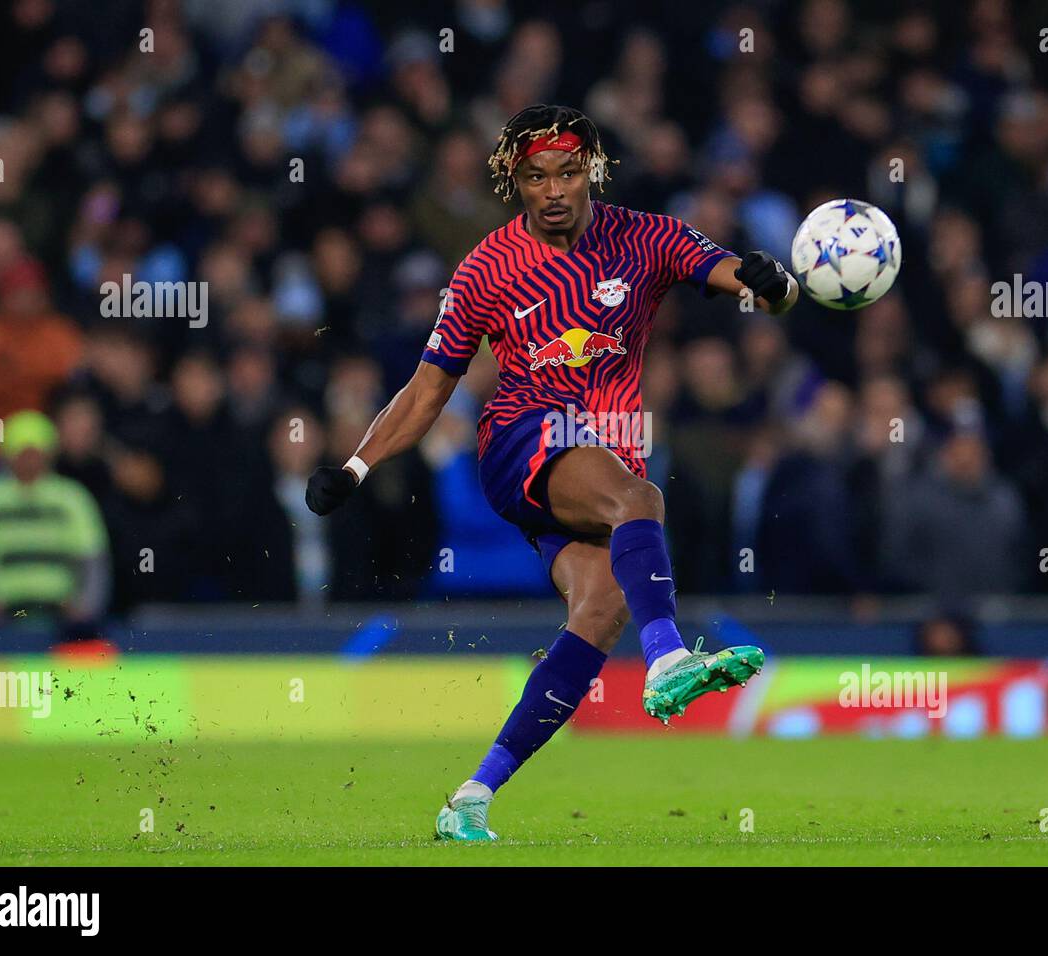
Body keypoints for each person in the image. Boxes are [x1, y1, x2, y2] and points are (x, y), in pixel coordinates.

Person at [305, 104, 797, 841]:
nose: (556, 189)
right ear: (517, 183)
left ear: (591, 171)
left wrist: (776, 280)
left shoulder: (648, 237)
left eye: (569, 172)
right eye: (537, 177)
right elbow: (426, 389)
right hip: (519, 438)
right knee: (642, 497)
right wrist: (355, 463)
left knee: (600, 609)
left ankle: (471, 796)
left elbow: (755, 286)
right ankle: (666, 660)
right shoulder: (484, 269)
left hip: (603, 451)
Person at [0, 410, 109, 639]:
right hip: (0, 619)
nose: (30, 460)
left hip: (61, 619)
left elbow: (93, 559)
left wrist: (85, 608)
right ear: (8, 454)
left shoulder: (72, 497)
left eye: (36, 452)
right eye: (23, 452)